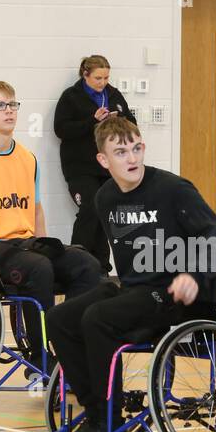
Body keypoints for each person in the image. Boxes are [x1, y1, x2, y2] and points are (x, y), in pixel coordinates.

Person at [41, 116, 216, 432]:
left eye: (136, 148)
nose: (132, 159)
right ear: (103, 160)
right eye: (121, 152)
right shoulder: (105, 198)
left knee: (97, 318)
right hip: (134, 291)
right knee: (60, 318)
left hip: (173, 294)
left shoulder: (173, 189)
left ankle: (107, 420)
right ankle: (95, 410)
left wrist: (194, 275)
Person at [0, 81, 104, 373]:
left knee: (87, 263)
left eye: (12, 104)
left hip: (22, 246)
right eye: (0, 105)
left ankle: (72, 344)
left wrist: (48, 247)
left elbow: (35, 210)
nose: (9, 111)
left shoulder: (27, 159)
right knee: (38, 267)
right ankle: (42, 355)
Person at [53, 54, 136, 270]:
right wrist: (93, 120)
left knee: (105, 212)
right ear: (85, 75)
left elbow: (132, 122)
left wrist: (120, 120)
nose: (103, 83)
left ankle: (100, 268)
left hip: (107, 166)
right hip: (80, 166)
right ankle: (75, 264)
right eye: (98, 78)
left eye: (106, 78)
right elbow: (61, 129)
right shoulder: (71, 97)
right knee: (90, 208)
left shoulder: (113, 94)